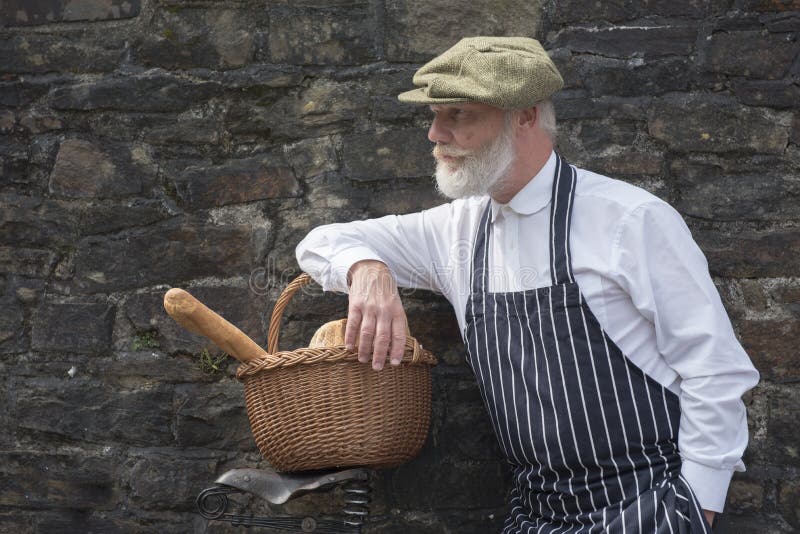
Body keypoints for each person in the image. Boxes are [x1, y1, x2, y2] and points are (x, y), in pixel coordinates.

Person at [295, 36, 759, 533]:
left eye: (458, 114)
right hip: (535, 514)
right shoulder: (455, 230)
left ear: (525, 115)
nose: (435, 133)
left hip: (647, 506)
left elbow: (715, 370)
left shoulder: (630, 221)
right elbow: (320, 243)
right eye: (434, 114)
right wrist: (368, 269)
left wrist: (695, 508)